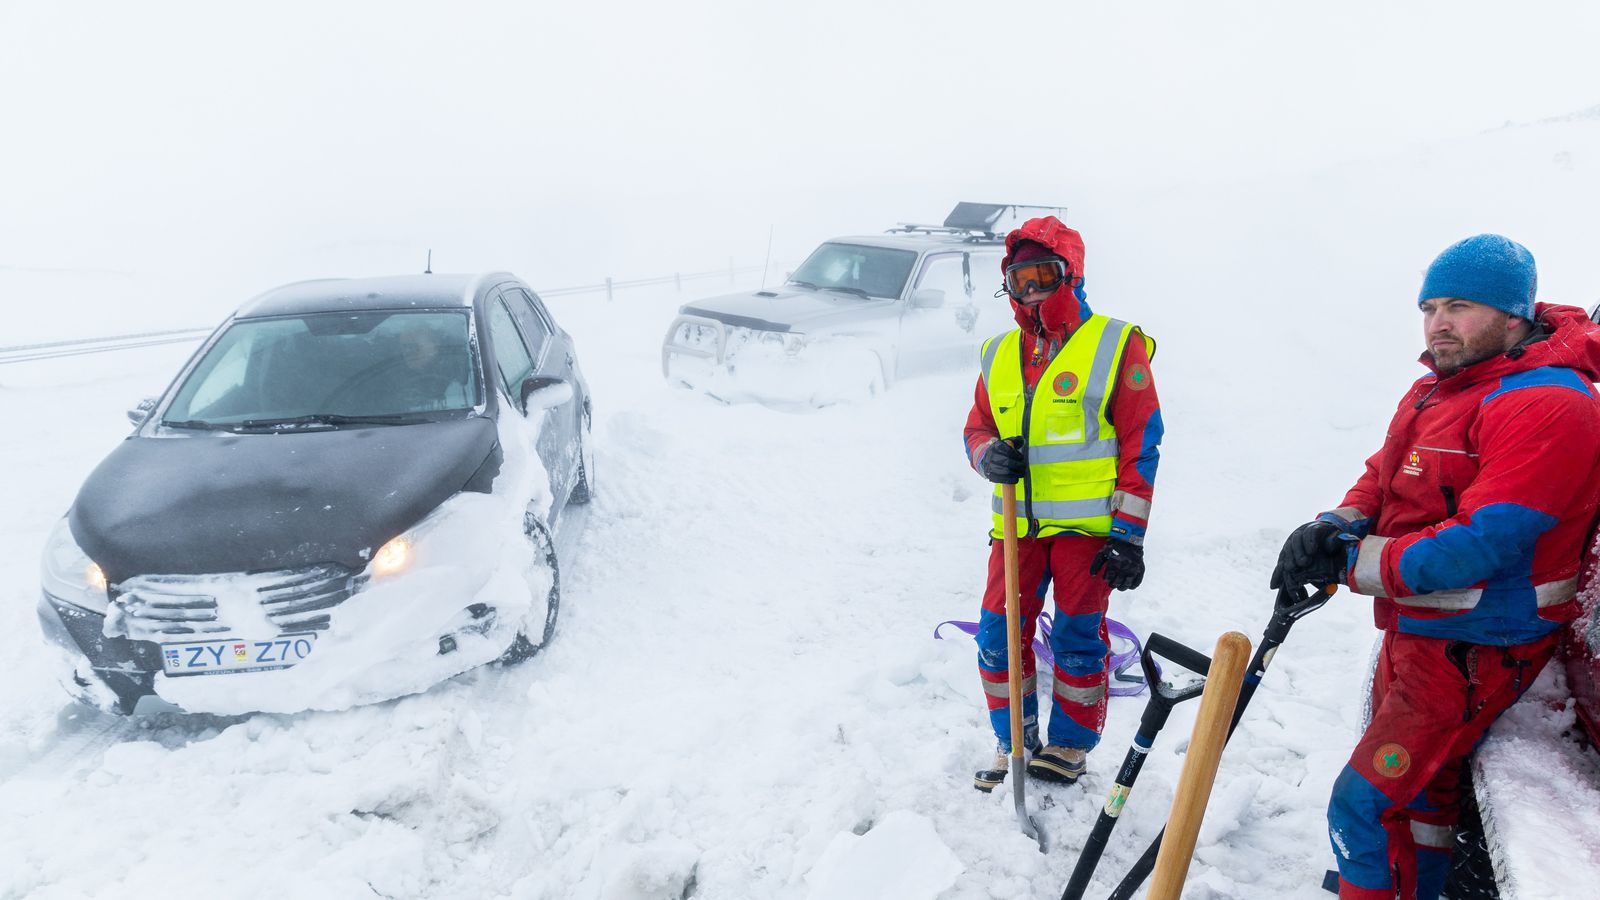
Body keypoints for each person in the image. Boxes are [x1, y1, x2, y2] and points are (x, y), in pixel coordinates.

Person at [1270, 234, 1600, 900]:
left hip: (1477, 643)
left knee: (1360, 805)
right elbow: (1383, 480)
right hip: (1421, 629)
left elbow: (1481, 543)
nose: (1438, 323)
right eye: (1430, 307)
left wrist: (1349, 564)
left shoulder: (1550, 405)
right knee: (1421, 803)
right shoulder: (1438, 390)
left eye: (1460, 306)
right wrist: (1333, 525)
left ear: (1514, 314)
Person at [964, 216, 1163, 791]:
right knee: (997, 636)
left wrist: (1128, 534)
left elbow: (1141, 440)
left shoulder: (1115, 342)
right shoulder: (997, 352)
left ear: (1069, 275)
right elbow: (977, 427)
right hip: (1016, 530)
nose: (1031, 289)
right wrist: (987, 458)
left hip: (1087, 532)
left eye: (1042, 274)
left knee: (1078, 641)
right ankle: (1015, 741)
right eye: (1019, 277)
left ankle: (1069, 747)